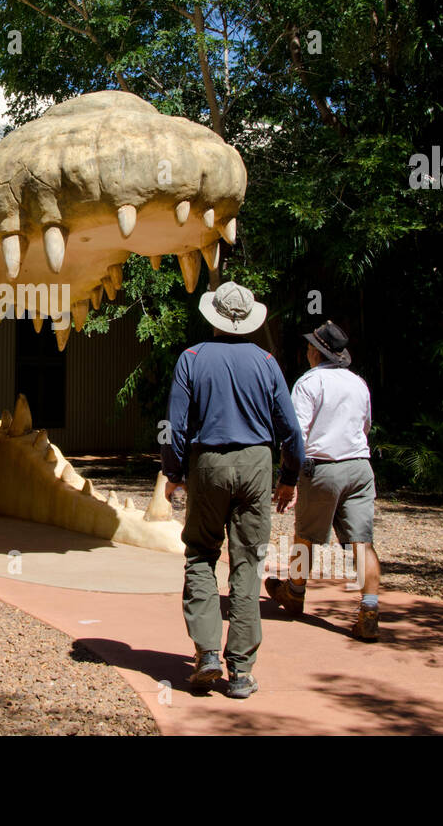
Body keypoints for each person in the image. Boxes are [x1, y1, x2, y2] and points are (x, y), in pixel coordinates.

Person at [161, 281, 305, 697]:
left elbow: (175, 427)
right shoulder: (266, 361)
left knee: (201, 555)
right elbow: (290, 429)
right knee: (247, 563)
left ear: (214, 317)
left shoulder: (191, 358)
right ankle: (240, 671)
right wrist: (289, 478)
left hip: (207, 463)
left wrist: (175, 472)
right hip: (258, 464)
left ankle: (206, 652)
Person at [265, 321, 381, 641]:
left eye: (308, 347)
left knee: (305, 535)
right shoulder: (358, 383)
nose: (306, 351)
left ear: (316, 353)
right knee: (362, 542)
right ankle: (369, 610)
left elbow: (296, 435)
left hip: (323, 468)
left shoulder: (309, 382)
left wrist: (288, 478)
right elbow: (365, 426)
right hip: (360, 467)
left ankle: (295, 592)